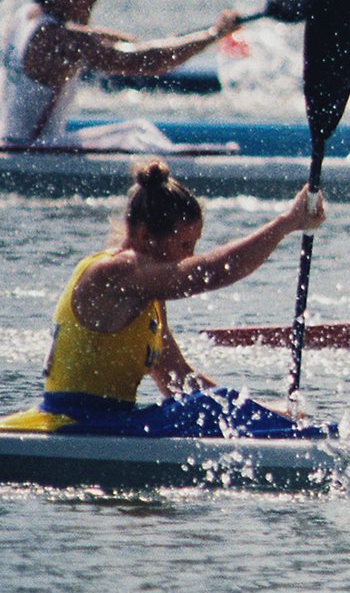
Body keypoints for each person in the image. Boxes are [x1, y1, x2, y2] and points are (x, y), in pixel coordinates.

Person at [0, 162, 330, 438]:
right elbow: (211, 273)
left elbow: (179, 380)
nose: (191, 255)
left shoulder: (146, 292)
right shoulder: (117, 270)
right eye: (185, 245)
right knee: (212, 407)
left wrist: (267, 412)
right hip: (77, 423)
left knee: (213, 402)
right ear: (145, 235)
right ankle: (307, 438)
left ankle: (293, 431)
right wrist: (287, 223)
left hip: (109, 423)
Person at [3, 0, 240, 149]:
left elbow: (87, 36)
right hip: (34, 152)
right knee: (136, 132)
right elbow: (148, 62)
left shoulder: (25, 17)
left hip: (11, 142)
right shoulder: (63, 41)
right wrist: (214, 35)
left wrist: (139, 42)